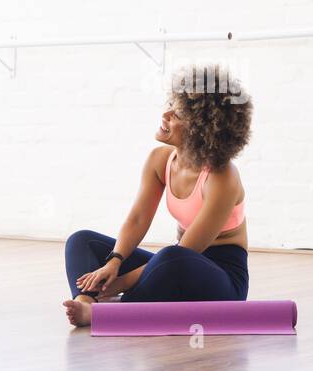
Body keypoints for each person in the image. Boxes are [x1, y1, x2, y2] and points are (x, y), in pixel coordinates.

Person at [62, 64, 253, 327]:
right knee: (82, 242)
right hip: (174, 265)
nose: (165, 114)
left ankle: (107, 313)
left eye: (177, 114)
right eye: (170, 105)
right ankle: (86, 302)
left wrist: (116, 284)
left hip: (220, 280)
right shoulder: (160, 160)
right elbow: (138, 219)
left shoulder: (222, 178)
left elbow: (188, 251)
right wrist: (113, 262)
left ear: (201, 129)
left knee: (171, 258)